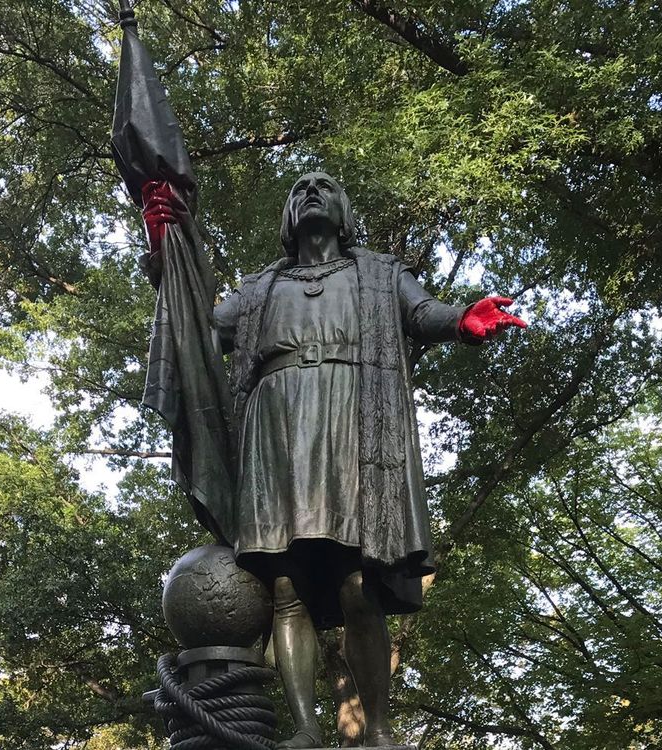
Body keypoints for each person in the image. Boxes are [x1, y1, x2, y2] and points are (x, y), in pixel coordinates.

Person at [140, 172, 525, 748]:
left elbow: (423, 312)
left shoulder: (379, 273)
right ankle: (305, 731)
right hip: (275, 428)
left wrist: (462, 320)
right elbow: (199, 328)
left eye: (324, 186)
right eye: (299, 189)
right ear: (287, 218)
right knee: (286, 586)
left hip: (352, 421)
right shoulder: (260, 287)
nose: (311, 192)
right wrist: (168, 257)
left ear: (344, 213)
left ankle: (379, 731)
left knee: (356, 585)